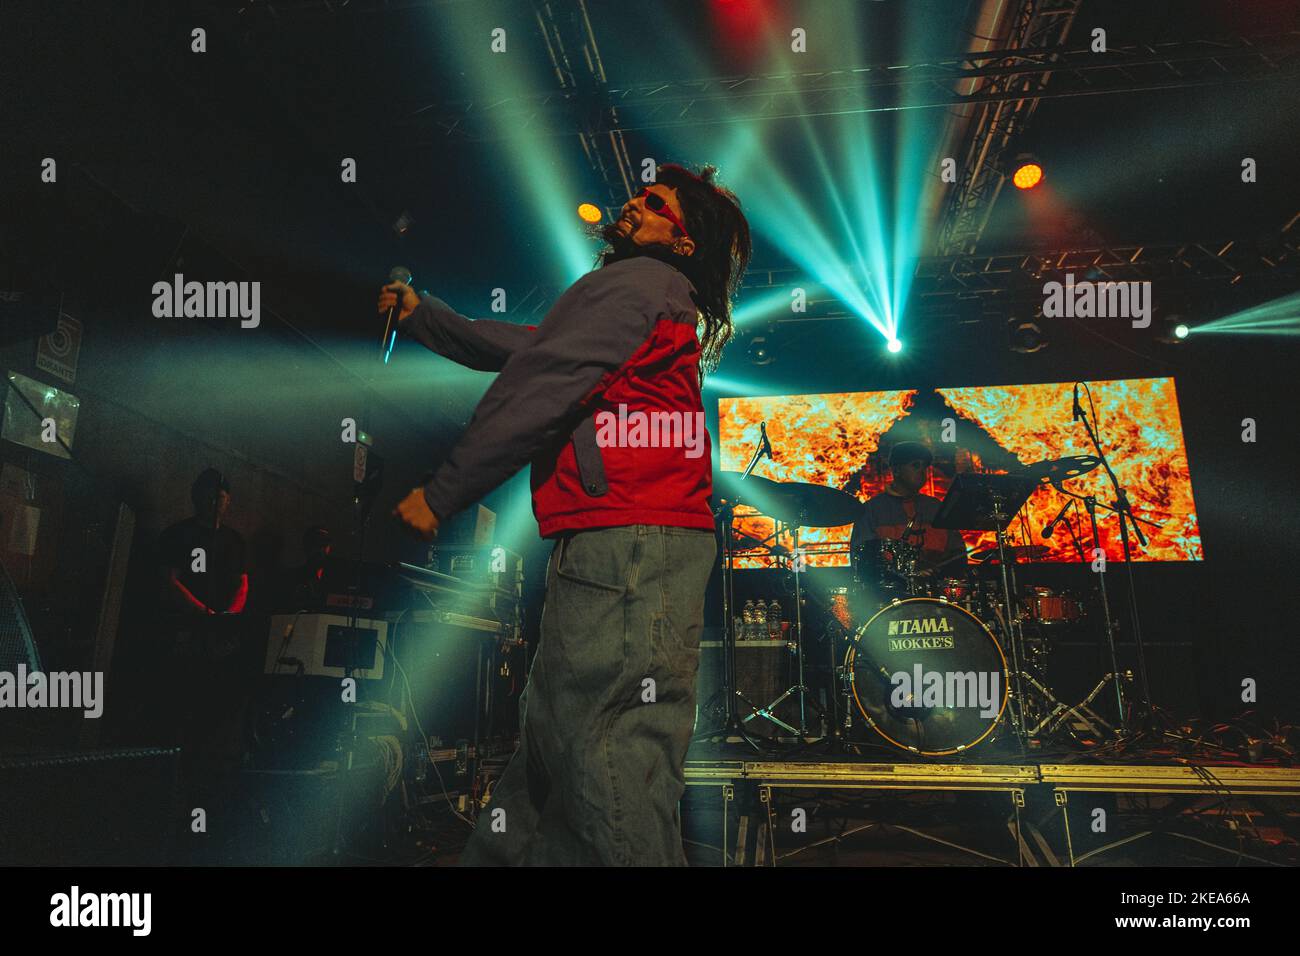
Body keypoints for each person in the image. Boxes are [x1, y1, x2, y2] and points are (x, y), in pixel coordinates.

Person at [377, 164, 751, 865]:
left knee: (604, 755)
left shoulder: (636, 283)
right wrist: (426, 317)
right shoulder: (644, 294)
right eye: (642, 194)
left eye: (657, 202)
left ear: (684, 239)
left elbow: (542, 382)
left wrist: (444, 490)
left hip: (630, 543)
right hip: (631, 541)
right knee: (556, 752)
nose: (636, 203)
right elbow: (535, 347)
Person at [156, 468, 252, 836]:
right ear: (198, 495)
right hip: (187, 638)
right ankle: (172, 799)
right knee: (180, 715)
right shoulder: (178, 535)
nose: (219, 500)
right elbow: (169, 582)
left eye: (224, 495)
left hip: (220, 642)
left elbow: (243, 582)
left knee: (215, 721)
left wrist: (228, 618)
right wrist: (204, 615)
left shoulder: (233, 541)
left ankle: (202, 799)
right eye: (213, 494)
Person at [850, 441, 967, 579]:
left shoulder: (936, 507)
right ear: (896, 470)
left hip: (937, 591)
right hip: (890, 594)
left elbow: (958, 554)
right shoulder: (871, 510)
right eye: (915, 465)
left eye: (925, 466)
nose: (922, 471)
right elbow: (863, 560)